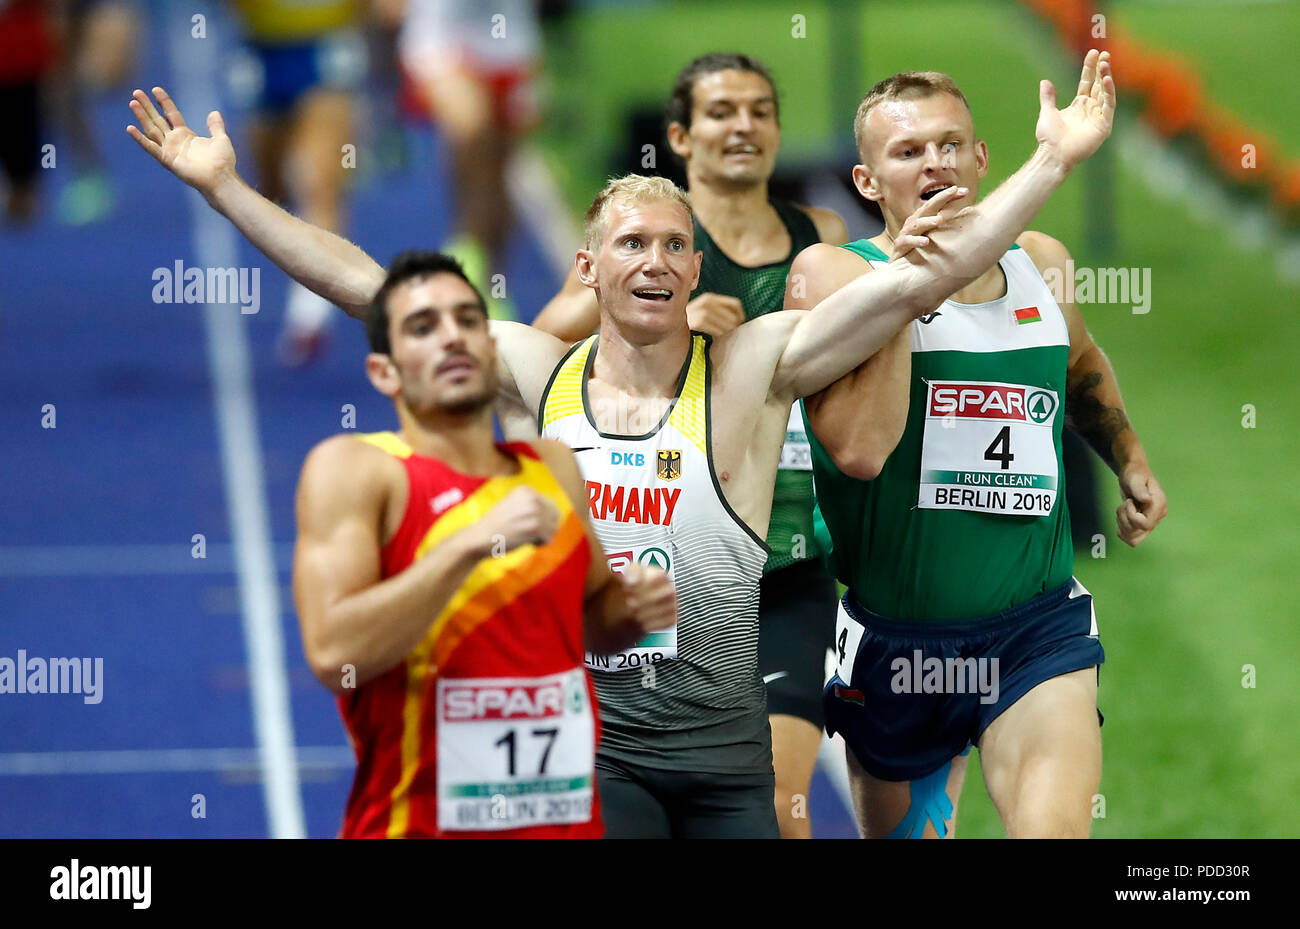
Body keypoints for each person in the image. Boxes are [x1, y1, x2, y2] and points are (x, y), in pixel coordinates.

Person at [126, 50, 1115, 836]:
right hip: (597, 746)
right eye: (632, 246)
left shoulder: (749, 369)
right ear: (588, 268)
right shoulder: (532, 366)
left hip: (727, 752)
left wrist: (1052, 162)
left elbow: (915, 282)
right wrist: (227, 192)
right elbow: (364, 284)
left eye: (673, 246)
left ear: (694, 268)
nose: (655, 262)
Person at [792, 50, 1165, 838]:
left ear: (980, 157)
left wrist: (1128, 458)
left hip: (1036, 630)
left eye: (951, 144)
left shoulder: (1044, 265)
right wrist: (907, 282)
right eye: (909, 151)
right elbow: (860, 450)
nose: (936, 162)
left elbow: (1082, 362)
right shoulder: (831, 275)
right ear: (868, 183)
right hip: (900, 646)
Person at [533, 51, 848, 839]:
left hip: (790, 556)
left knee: (780, 795)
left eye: (760, 109)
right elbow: (547, 349)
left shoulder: (822, 239)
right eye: (721, 111)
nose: (743, 125)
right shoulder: (657, 242)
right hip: (662, 556)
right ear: (680, 134)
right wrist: (681, 324)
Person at [291, 249, 676, 837]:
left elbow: (592, 623)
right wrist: (469, 544)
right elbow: (335, 655)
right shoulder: (358, 471)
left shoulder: (552, 468)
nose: (452, 338)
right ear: (384, 372)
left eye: (468, 320)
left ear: (491, 349)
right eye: (423, 328)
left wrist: (634, 609)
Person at [229, 0, 367, 365]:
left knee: (321, 182)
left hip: (327, 48)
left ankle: (309, 315)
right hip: (263, 50)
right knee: (269, 191)